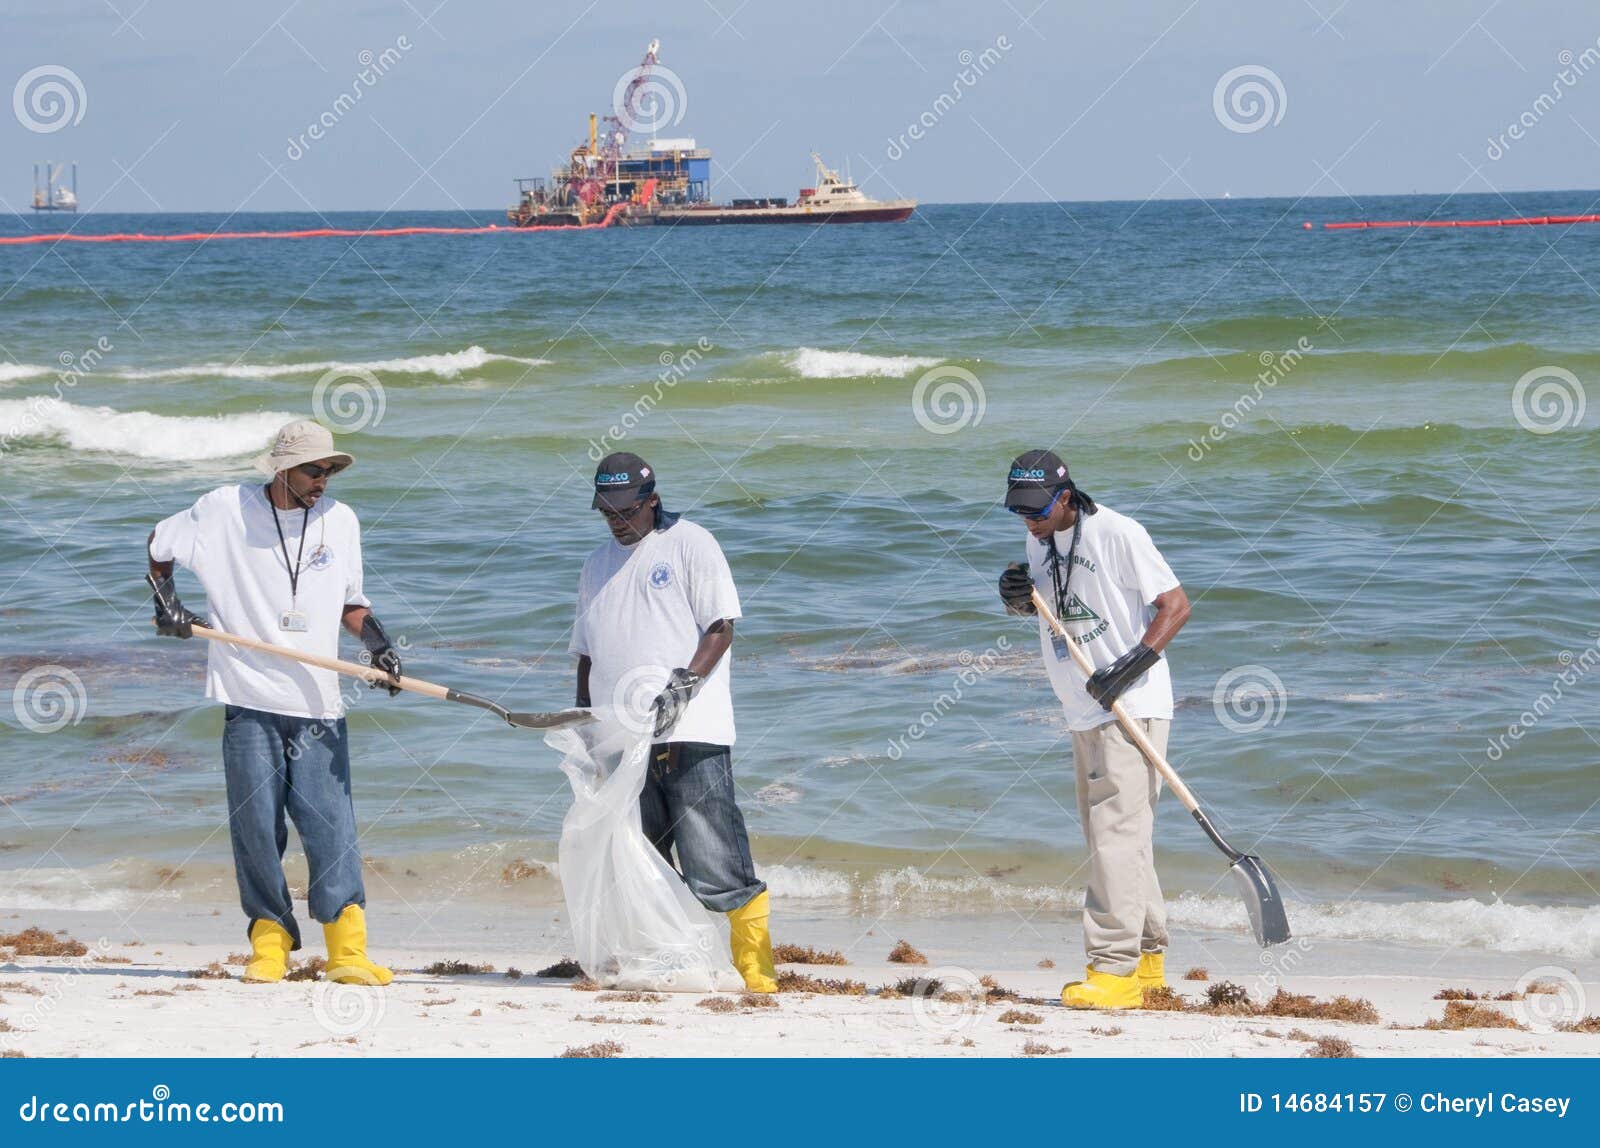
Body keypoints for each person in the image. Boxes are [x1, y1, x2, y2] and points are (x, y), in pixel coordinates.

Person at [146, 419, 402, 987]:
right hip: (246, 696)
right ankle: (270, 941)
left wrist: (379, 645)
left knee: (331, 827)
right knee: (256, 827)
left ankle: (347, 949)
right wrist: (169, 604)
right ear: (283, 469)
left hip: (318, 702)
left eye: (331, 470)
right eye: (315, 470)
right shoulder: (221, 510)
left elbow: (351, 603)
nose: (324, 481)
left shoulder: (341, 521)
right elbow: (157, 545)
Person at [570, 451, 775, 993]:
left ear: (651, 501)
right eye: (607, 511)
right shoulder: (595, 564)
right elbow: (587, 655)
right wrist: (587, 724)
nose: (617, 520)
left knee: (714, 855)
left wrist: (684, 685)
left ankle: (756, 966)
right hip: (621, 734)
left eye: (626, 510)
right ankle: (667, 961)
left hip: (692, 728)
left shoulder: (690, 543)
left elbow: (720, 626)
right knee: (644, 856)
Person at [997, 449, 1191, 1010]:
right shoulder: (1039, 537)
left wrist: (1128, 667)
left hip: (1130, 706)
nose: (1029, 521)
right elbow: (1060, 608)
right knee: (1118, 840)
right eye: (1020, 512)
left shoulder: (1120, 533)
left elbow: (1175, 606)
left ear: (1066, 496)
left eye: (1037, 510)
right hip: (1083, 709)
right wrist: (1017, 600)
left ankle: (1113, 970)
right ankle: (1149, 961)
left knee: (1115, 838)